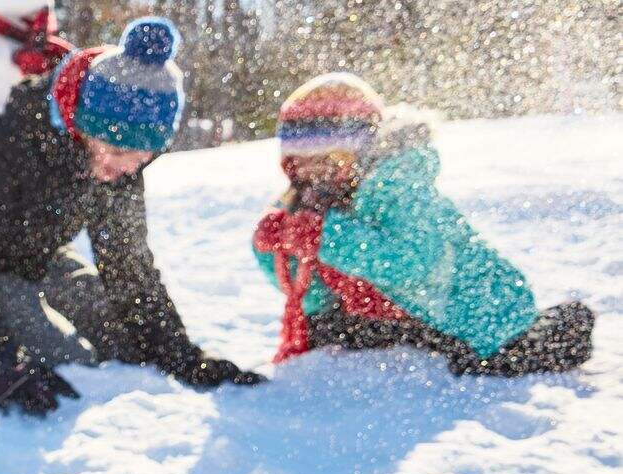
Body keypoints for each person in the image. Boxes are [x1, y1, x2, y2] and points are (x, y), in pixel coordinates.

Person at [0, 16, 264, 416]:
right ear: (84, 125)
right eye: (119, 153)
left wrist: (183, 356)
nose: (126, 169)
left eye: (142, 158)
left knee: (125, 342)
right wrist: (1, 361)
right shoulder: (6, 147)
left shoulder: (118, 165)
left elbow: (128, 267)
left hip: (36, 255)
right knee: (68, 357)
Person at [252, 73, 593, 375]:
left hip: (478, 313)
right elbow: (317, 301)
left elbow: (414, 264)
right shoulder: (317, 204)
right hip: (410, 313)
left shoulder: (398, 185)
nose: (315, 171)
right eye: (300, 160)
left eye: (331, 157)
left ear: (362, 150)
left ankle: (560, 329)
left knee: (498, 361)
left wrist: (322, 237)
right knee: (327, 330)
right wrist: (278, 253)